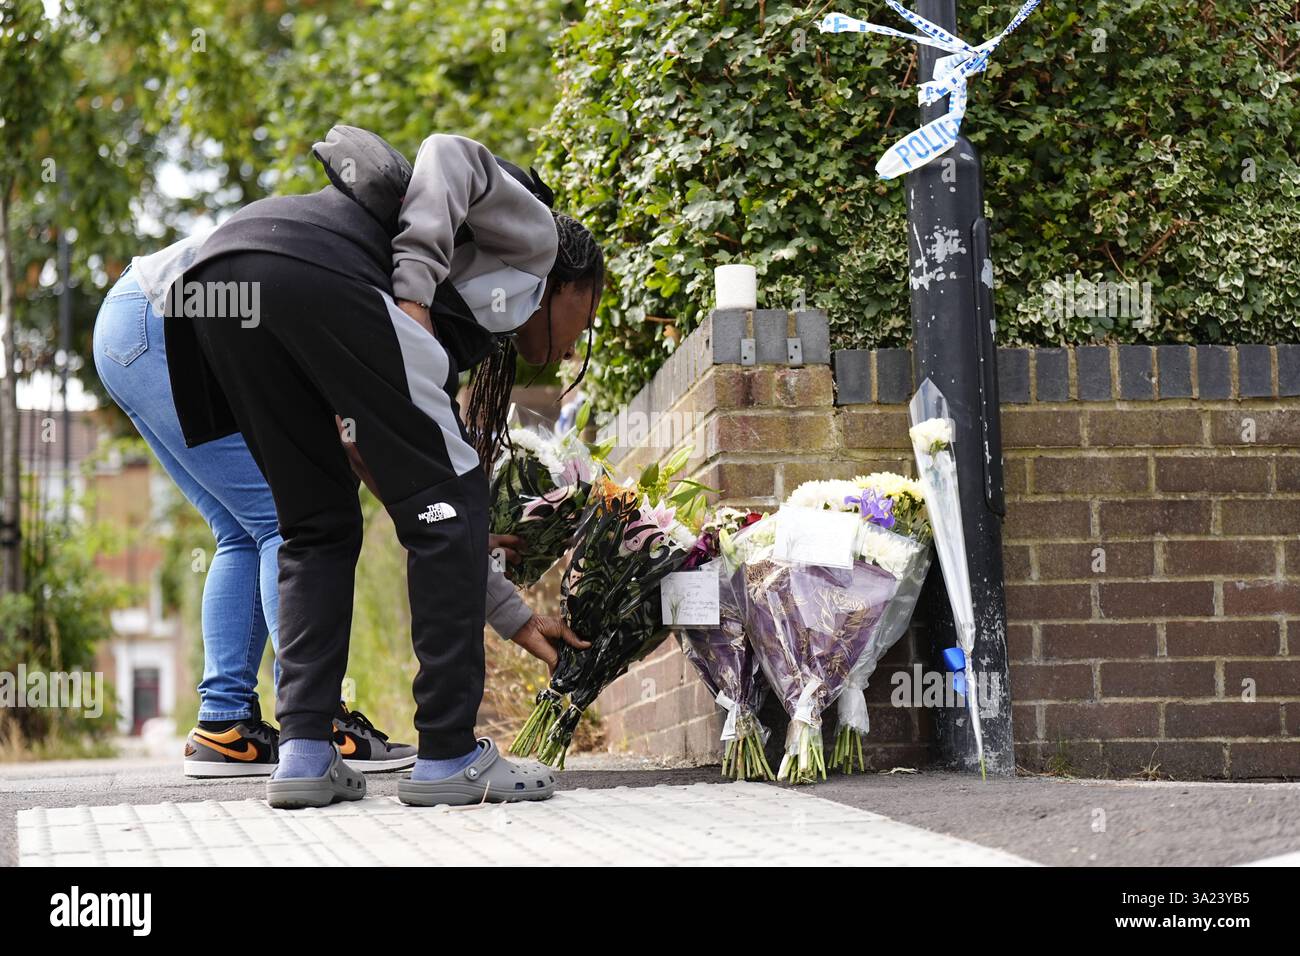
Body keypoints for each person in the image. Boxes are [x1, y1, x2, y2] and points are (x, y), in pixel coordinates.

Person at [150, 127, 599, 809]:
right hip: (306, 273)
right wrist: (415, 291)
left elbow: (393, 471)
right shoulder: (537, 239)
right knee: (455, 499)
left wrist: (502, 607)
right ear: (567, 283)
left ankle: (304, 755)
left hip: (223, 280)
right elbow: (449, 150)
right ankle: (449, 753)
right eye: (585, 317)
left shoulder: (462, 312)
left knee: (316, 525)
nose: (570, 353)